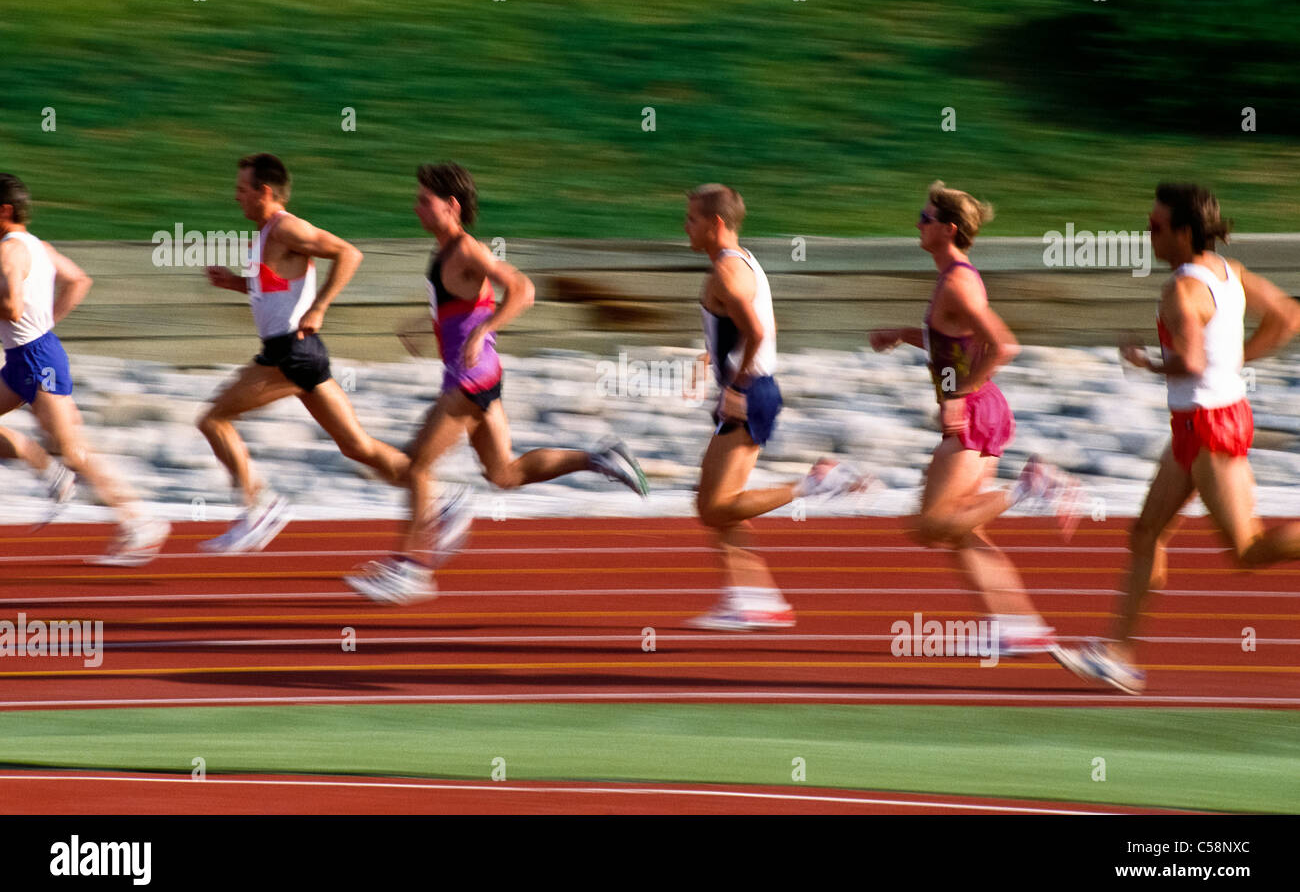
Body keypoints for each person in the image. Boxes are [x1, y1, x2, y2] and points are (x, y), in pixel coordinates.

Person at [344, 163, 648, 603]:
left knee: (416, 468)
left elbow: (522, 289)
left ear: (451, 206)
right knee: (503, 473)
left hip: (469, 380)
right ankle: (600, 458)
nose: (416, 207)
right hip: (477, 376)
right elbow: (461, 306)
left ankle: (411, 570)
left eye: (424, 200)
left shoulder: (468, 250)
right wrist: (419, 324)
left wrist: (484, 332)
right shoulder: (445, 251)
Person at [1054, 183, 1300, 694]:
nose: (1148, 234)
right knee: (1146, 534)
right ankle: (1117, 655)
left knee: (1248, 549)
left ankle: (1117, 652)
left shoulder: (1181, 290)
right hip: (1199, 424)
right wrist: (1241, 358)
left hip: (1209, 429)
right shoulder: (1229, 273)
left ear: (1184, 233)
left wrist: (1145, 362)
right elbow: (1288, 317)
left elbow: (1188, 361)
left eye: (1156, 227)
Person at [869, 181, 1078, 657]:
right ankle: (1017, 625)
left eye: (925, 219)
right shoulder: (954, 278)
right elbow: (958, 343)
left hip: (975, 413)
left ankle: (1030, 488)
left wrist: (960, 394)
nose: (917, 225)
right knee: (964, 529)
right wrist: (904, 335)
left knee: (932, 526)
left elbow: (1003, 345)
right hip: (983, 410)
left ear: (949, 229)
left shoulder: (959, 282)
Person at [199, 153, 410, 552]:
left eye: (241, 190)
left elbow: (349, 253)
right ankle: (438, 497)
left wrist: (320, 307)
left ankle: (258, 506)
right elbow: (274, 289)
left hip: (289, 352)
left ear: (264, 192)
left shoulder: (287, 228)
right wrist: (232, 284)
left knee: (213, 419)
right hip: (300, 353)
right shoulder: (265, 234)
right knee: (356, 446)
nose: (236, 197)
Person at [685, 183, 868, 631]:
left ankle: (813, 483)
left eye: (691, 219)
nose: (685, 228)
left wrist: (737, 385)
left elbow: (758, 332)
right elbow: (759, 325)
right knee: (717, 504)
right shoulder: (743, 262)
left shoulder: (727, 273)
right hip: (753, 389)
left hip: (750, 394)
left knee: (714, 507)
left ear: (716, 224)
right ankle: (754, 598)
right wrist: (715, 355)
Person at [0, 173, 169, 563]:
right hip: (27, 356)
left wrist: (41, 330)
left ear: (5, 210)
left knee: (74, 452)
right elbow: (78, 280)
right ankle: (43, 465)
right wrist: (48, 325)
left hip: (37, 361)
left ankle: (141, 520)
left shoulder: (10, 251)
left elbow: (11, 307)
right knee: (67, 448)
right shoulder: (37, 246)